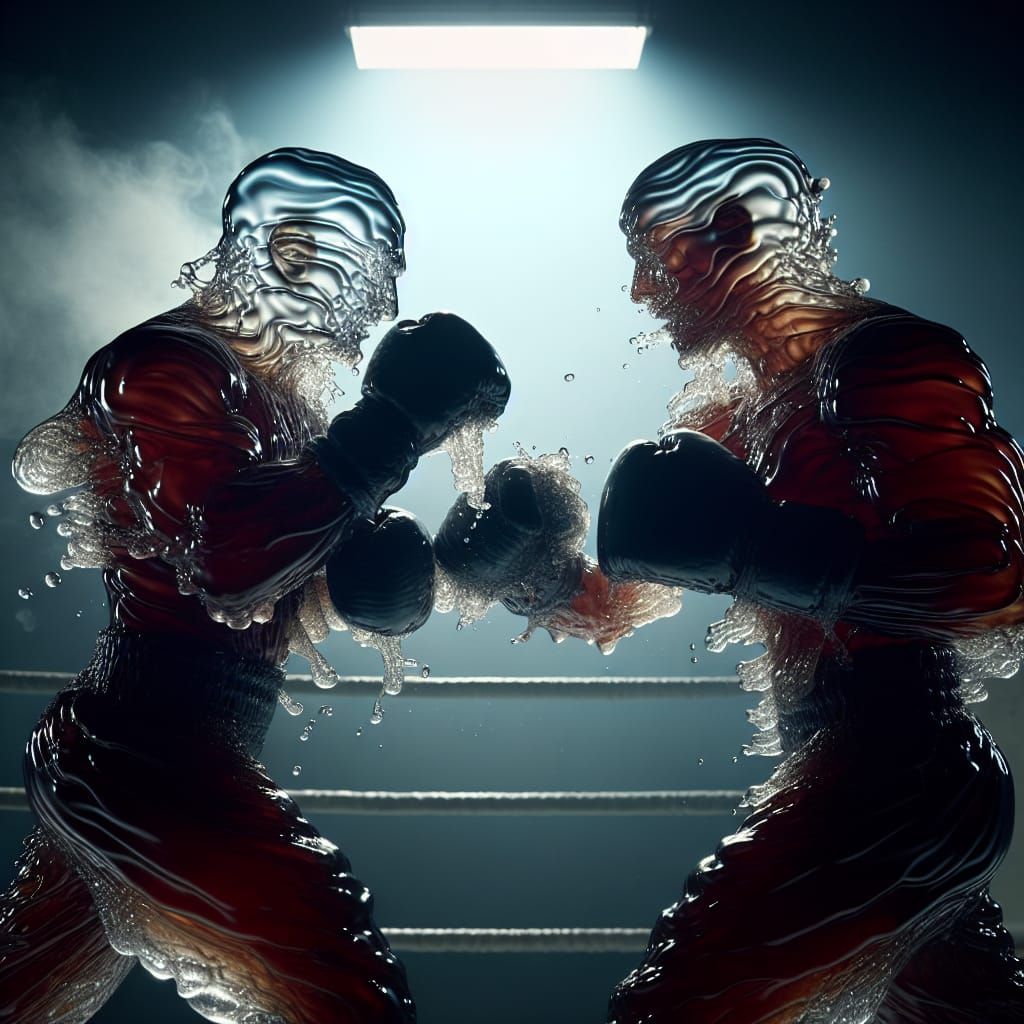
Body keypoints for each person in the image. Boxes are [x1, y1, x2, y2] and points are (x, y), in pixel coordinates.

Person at [436, 138, 1024, 1022]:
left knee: (678, 1007)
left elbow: (995, 577)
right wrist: (539, 575)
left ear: (732, 232)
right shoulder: (735, 413)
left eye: (655, 258)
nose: (643, 292)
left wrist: (763, 555)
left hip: (902, 769)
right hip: (858, 770)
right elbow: (633, 595)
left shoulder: (886, 359)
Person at [0, 147, 510, 1023]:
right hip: (143, 753)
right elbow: (226, 563)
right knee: (347, 992)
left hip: (159, 751)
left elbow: (292, 576)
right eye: (371, 274)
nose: (381, 308)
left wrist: (426, 568)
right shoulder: (162, 367)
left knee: (22, 996)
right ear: (294, 250)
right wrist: (388, 429)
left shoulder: (286, 401)